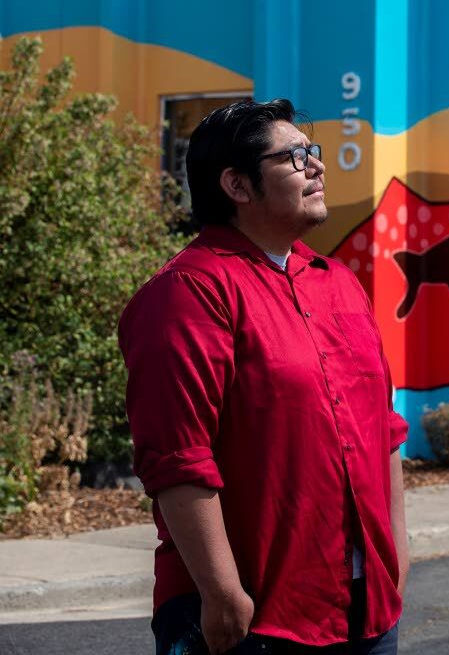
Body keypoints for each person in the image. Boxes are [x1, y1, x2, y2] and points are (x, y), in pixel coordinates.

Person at [119, 99, 409, 654]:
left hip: (365, 609)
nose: (317, 166)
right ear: (237, 185)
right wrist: (224, 593)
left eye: (314, 152)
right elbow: (178, 457)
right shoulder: (189, 293)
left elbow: (383, 429)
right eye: (296, 156)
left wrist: (394, 554)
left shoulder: (338, 285)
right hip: (253, 618)